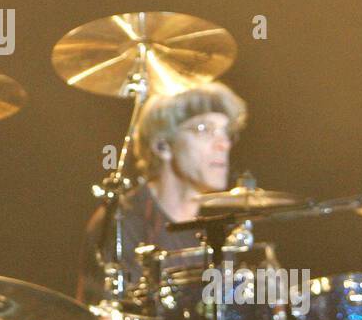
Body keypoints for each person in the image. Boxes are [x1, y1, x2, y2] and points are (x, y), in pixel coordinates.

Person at [79, 81, 247, 304]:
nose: (223, 144)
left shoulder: (218, 231)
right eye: (204, 129)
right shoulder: (123, 221)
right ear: (163, 146)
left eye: (225, 132)